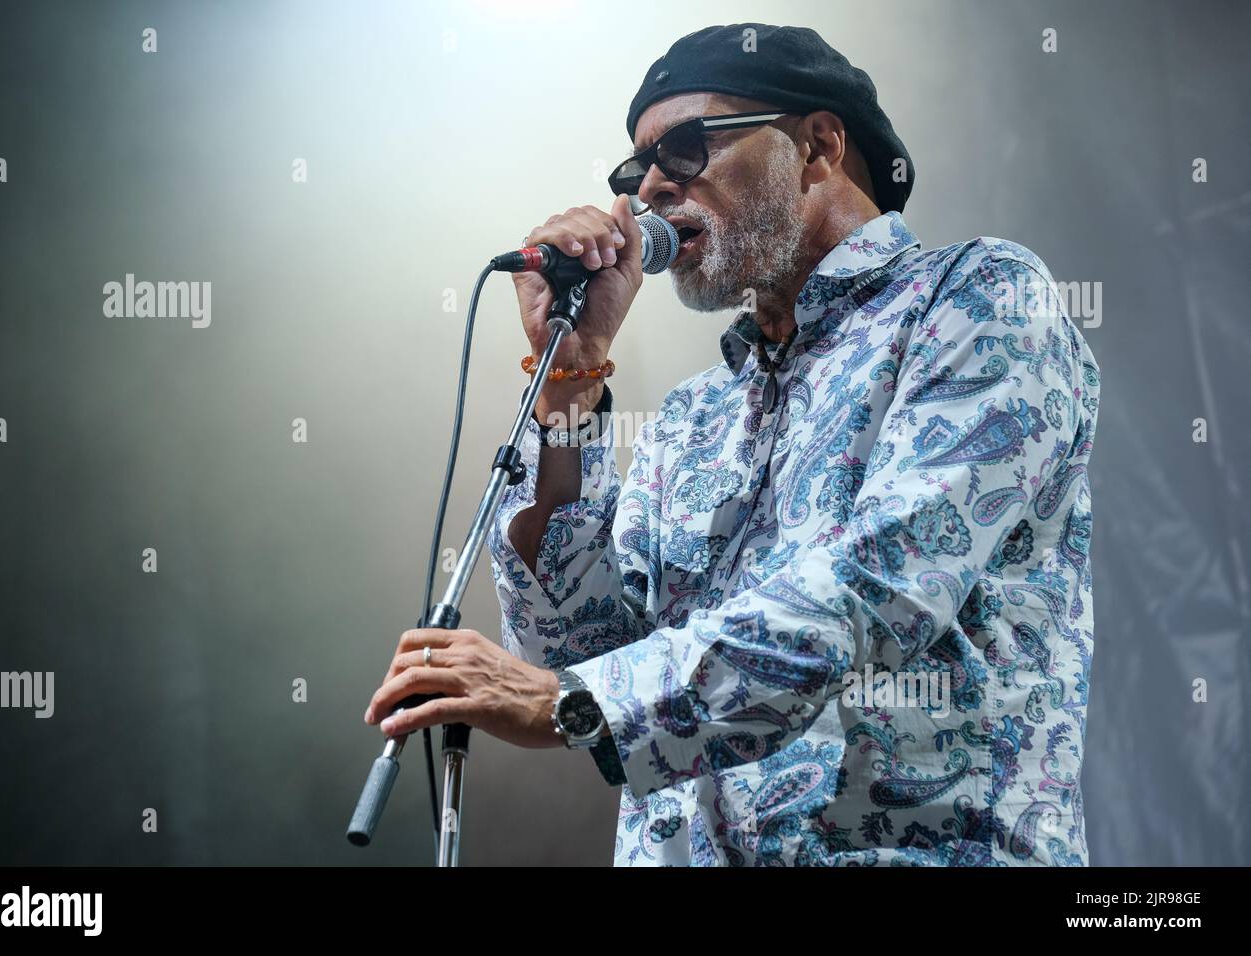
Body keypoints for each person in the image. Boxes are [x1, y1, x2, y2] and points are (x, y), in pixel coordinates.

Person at [364, 22, 1100, 866]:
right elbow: (573, 654)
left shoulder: (980, 297)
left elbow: (884, 585)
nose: (648, 190)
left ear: (818, 146)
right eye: (634, 171)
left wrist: (570, 701)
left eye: (684, 148)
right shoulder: (693, 415)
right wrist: (569, 380)